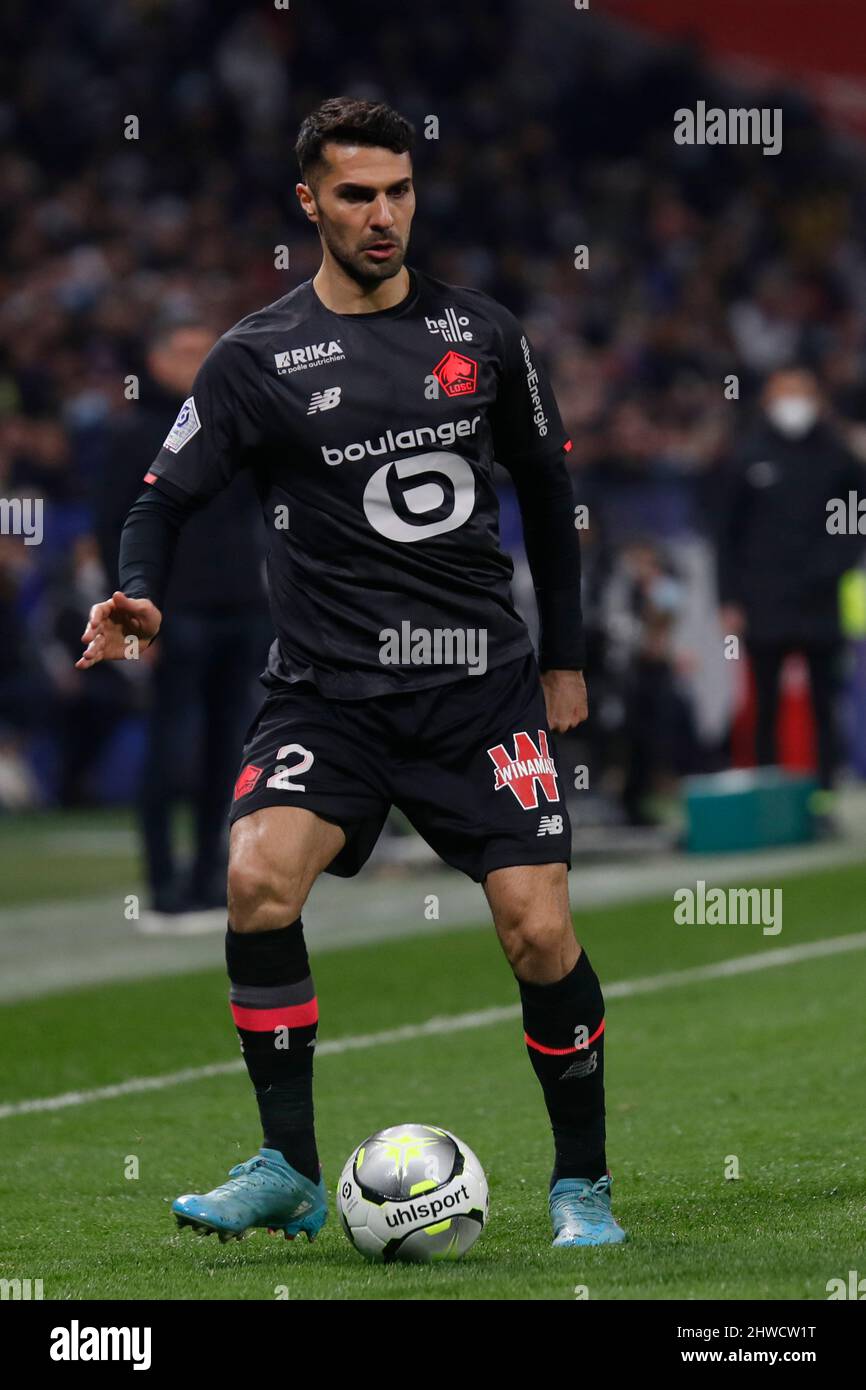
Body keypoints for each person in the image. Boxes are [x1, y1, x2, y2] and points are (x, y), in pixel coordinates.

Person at [77, 98, 626, 1248]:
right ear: (310, 203)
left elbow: (545, 493)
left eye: (400, 191)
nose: (384, 215)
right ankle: (286, 1165)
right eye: (358, 195)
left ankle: (581, 1183)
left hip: (476, 689)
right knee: (256, 876)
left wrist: (567, 661)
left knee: (535, 929)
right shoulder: (254, 356)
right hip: (326, 691)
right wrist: (137, 588)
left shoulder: (485, 334)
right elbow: (163, 495)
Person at [94, 321, 270, 912]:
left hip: (241, 607)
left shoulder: (237, 426)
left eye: (206, 351)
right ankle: (163, 879)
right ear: (156, 358)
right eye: (187, 351)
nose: (199, 362)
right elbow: (113, 529)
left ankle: (208, 873)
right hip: (171, 615)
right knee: (169, 750)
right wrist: (131, 608)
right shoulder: (135, 434)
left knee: (229, 749)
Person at [718, 368, 865, 805]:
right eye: (785, 393)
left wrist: (832, 568)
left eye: (802, 393)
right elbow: (726, 535)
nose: (794, 402)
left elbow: (856, 519)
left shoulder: (838, 456)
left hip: (820, 597)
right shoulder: (747, 455)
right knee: (765, 702)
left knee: (825, 700)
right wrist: (728, 598)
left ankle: (825, 790)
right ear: (766, 399)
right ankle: (769, 788)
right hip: (764, 600)